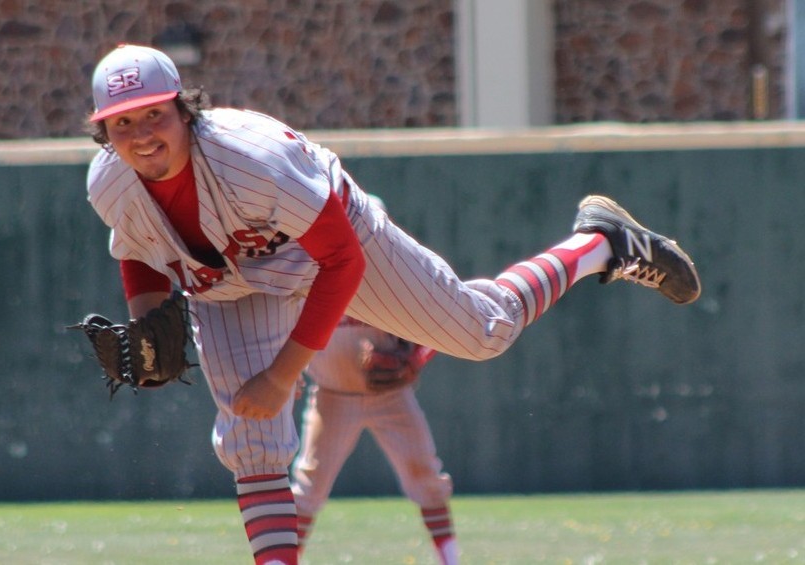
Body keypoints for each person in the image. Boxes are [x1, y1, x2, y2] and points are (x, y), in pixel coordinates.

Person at [81, 44, 700, 565]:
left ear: (184, 110)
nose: (139, 134)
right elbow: (138, 249)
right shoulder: (110, 181)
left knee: (484, 331)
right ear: (103, 130)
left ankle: (600, 243)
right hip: (230, 281)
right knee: (250, 437)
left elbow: (341, 260)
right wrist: (145, 317)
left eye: (152, 114)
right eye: (122, 122)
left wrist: (283, 374)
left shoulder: (251, 160)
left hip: (337, 242)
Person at [291, 308, 458, 564]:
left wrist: (416, 358)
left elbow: (435, 316)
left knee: (426, 479)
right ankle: (281, 559)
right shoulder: (305, 272)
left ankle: (451, 561)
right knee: (307, 488)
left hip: (391, 396)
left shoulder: (384, 271)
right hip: (331, 395)